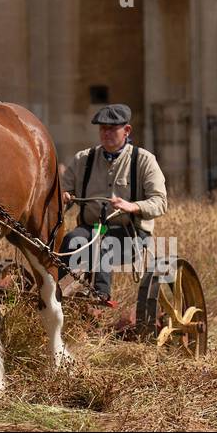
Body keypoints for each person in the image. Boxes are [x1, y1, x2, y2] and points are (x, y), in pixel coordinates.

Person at [59, 104, 167, 307]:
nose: (106, 133)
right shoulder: (83, 159)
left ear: (126, 130)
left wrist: (133, 206)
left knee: (106, 243)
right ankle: (62, 294)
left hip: (131, 235)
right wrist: (65, 197)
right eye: (102, 128)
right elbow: (62, 192)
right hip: (90, 231)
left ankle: (100, 297)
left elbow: (160, 202)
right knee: (70, 240)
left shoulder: (143, 160)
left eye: (112, 128)